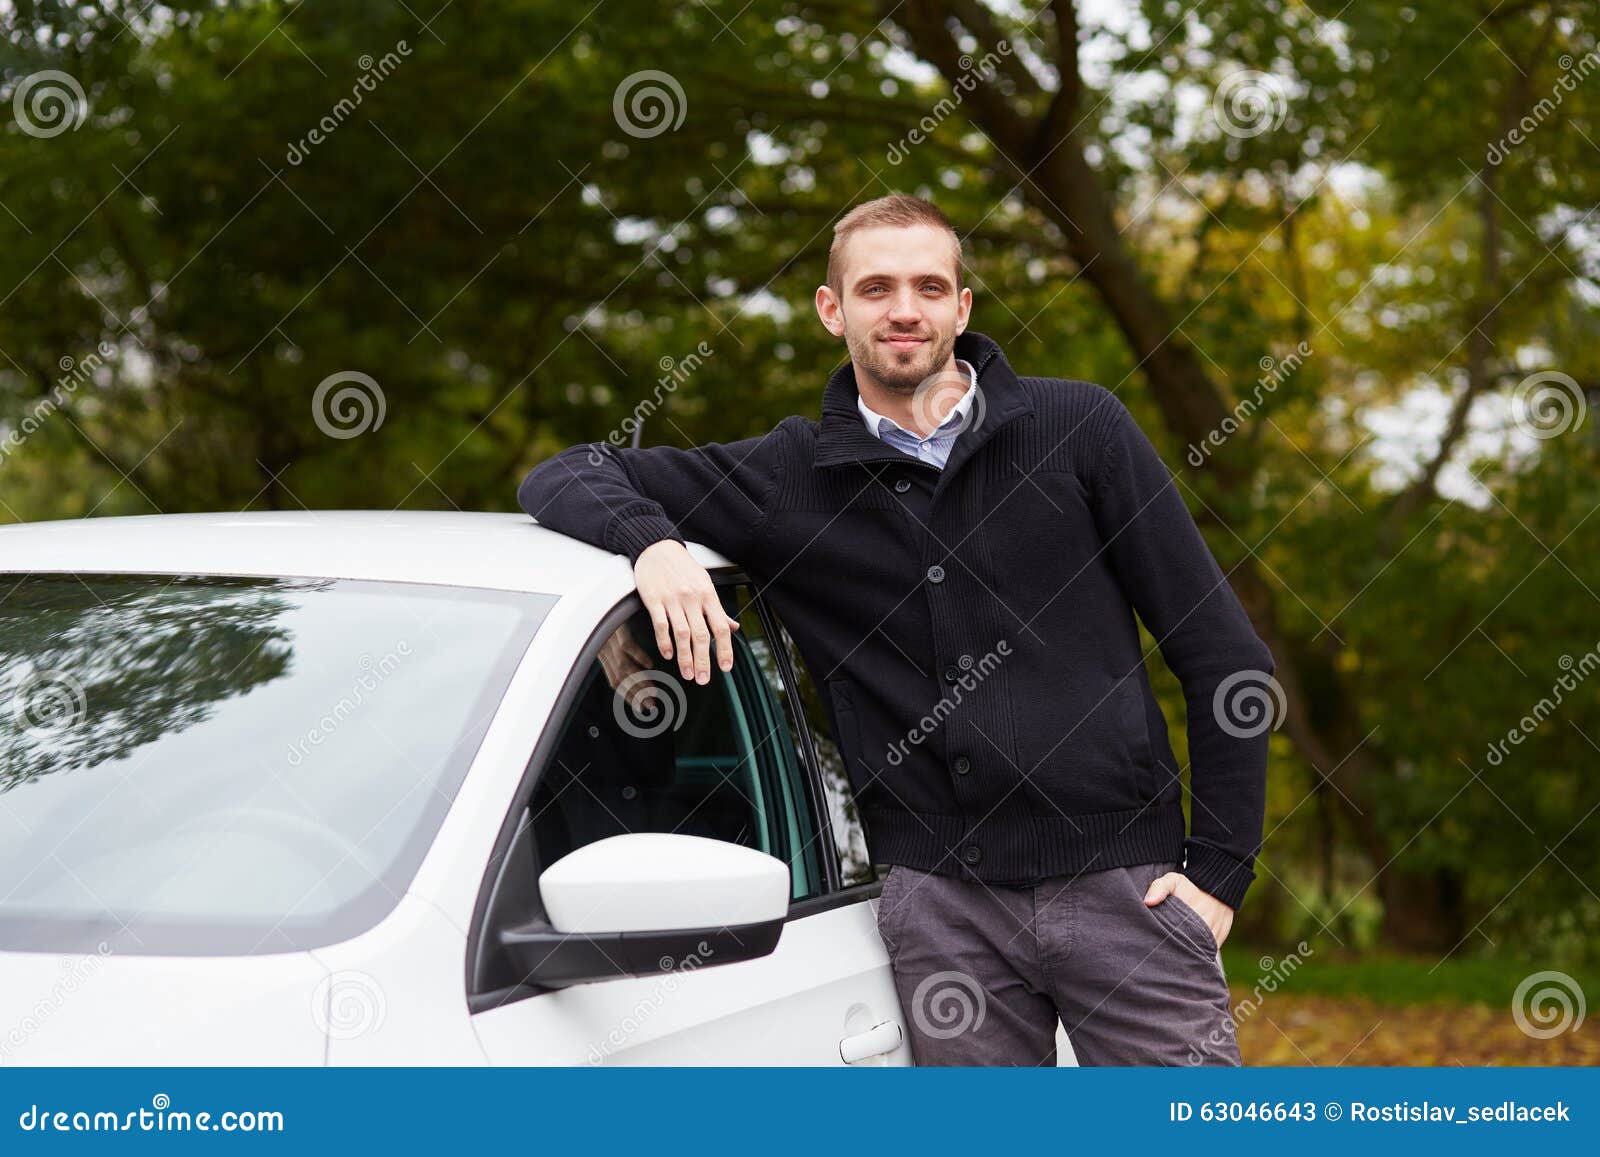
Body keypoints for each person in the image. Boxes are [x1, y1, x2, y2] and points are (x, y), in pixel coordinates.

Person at [516, 193, 1276, 1066]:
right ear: (832, 310)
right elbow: (567, 472)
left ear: (963, 307)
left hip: (1128, 892)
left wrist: (1220, 873)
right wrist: (652, 546)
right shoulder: (789, 477)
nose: (905, 309)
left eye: (929, 286)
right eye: (876, 288)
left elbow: (1226, 659)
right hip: (943, 914)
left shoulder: (1080, 430)